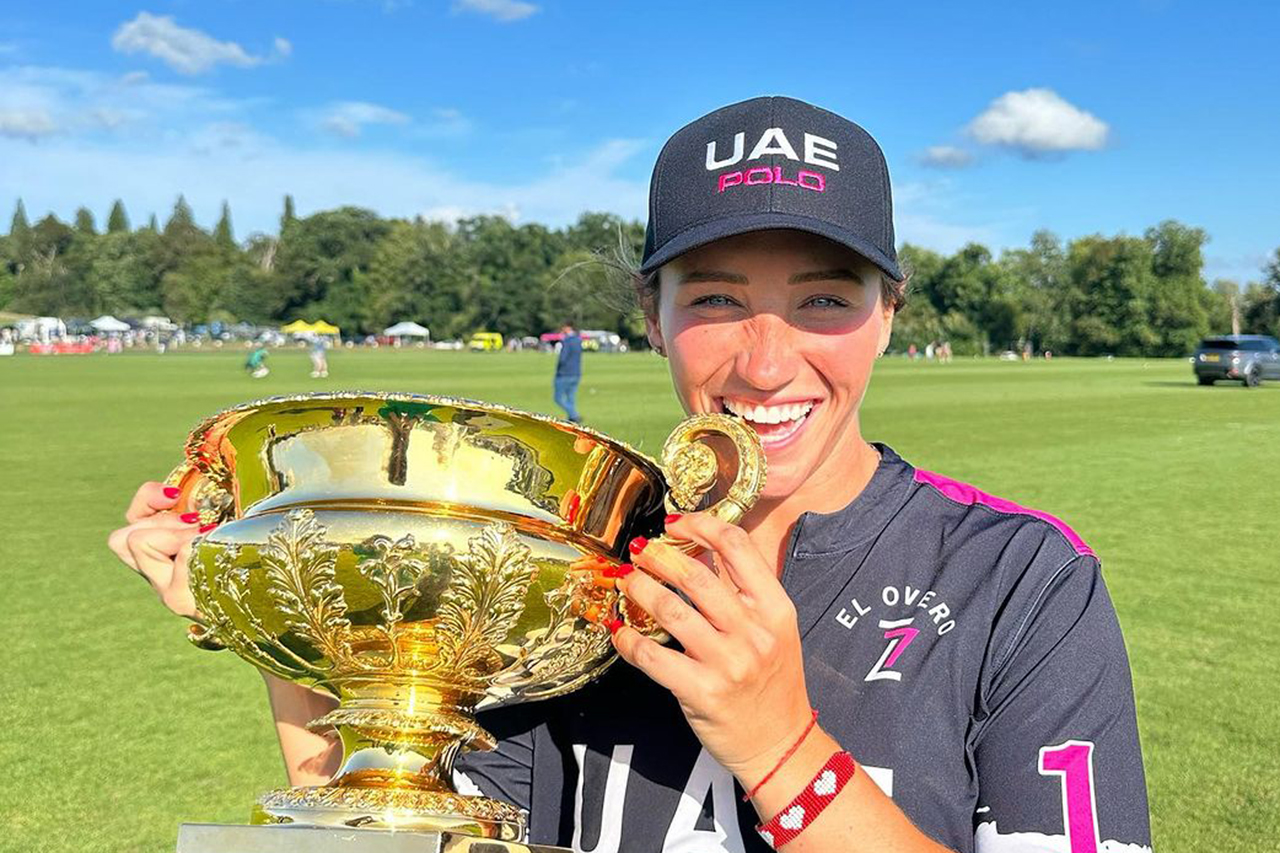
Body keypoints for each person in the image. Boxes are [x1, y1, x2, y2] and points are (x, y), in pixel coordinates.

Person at [110, 97, 1151, 852]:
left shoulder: (1019, 578)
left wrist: (782, 749)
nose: (766, 360)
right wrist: (299, 624)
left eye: (825, 301)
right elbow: (392, 829)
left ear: (891, 315)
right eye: (713, 300)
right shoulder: (564, 568)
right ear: (650, 316)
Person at [553, 322, 583, 423]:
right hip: (576, 373)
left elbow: (563, 358)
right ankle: (572, 419)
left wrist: (558, 370)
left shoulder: (567, 341)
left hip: (564, 373)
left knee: (558, 398)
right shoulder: (578, 340)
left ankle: (574, 415)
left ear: (568, 328)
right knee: (571, 398)